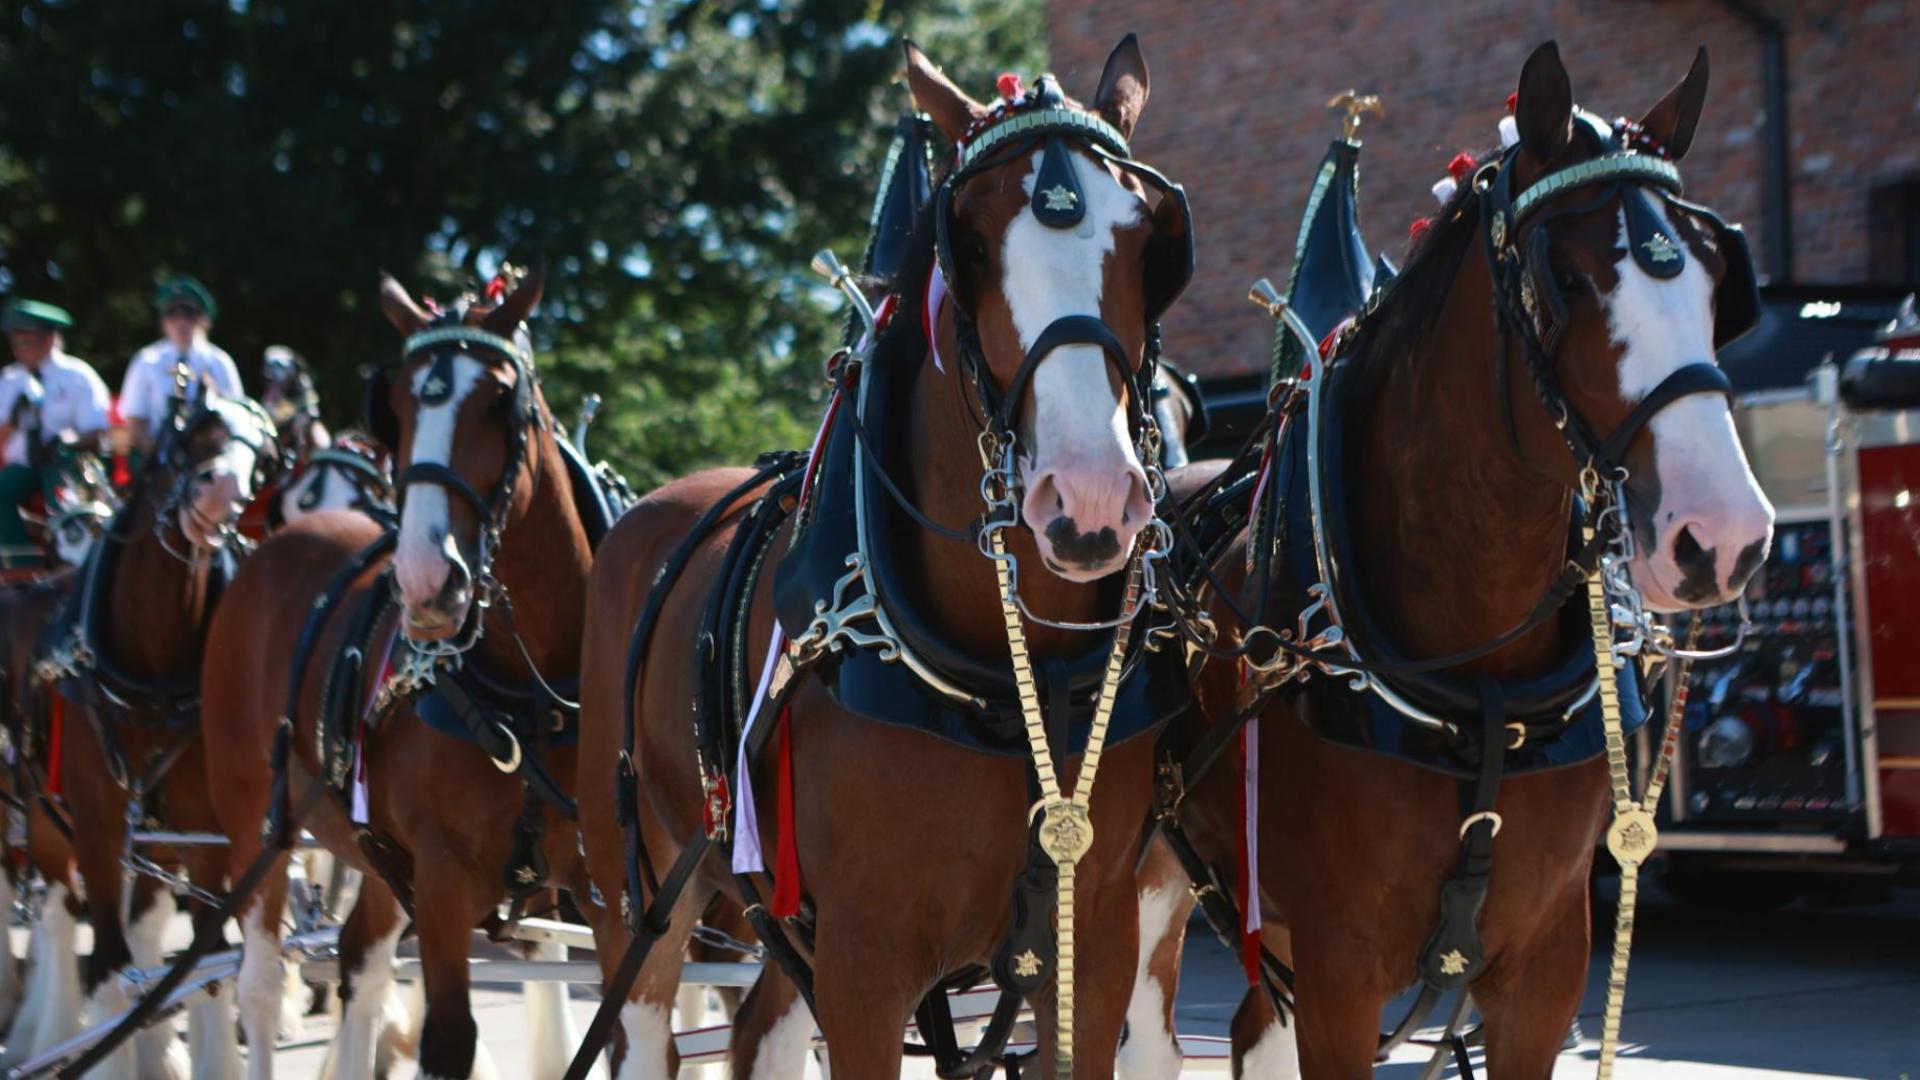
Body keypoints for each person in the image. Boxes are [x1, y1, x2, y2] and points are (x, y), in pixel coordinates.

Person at [0, 299, 112, 568]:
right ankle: (22, 564)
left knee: (64, 502)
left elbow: (99, 432)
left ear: (49, 340)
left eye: (26, 342)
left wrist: (68, 441)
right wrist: (14, 421)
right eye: (15, 343)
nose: (18, 350)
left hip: (65, 462)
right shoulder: (9, 379)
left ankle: (73, 564)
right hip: (26, 465)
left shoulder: (77, 376)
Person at [119, 275, 241, 455]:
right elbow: (135, 421)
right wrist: (161, 460)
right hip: (158, 460)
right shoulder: (146, 361)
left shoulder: (219, 362)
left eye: (189, 314)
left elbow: (235, 418)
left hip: (209, 459)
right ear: (163, 322)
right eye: (172, 314)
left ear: (203, 319)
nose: (180, 322)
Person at [262, 344, 330, 453]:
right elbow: (268, 415)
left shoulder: (302, 383)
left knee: (321, 439)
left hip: (300, 429)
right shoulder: (272, 388)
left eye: (278, 366)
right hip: (277, 433)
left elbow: (312, 415)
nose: (272, 372)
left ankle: (324, 461)